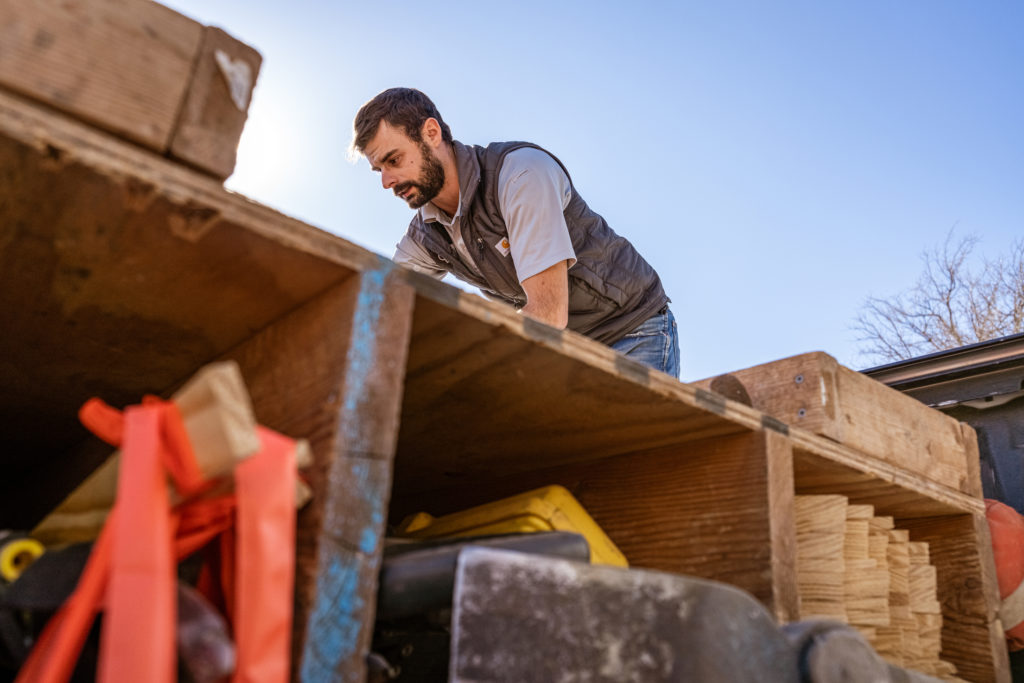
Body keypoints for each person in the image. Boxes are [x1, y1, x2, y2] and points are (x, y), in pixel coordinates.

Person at [351, 87, 680, 378]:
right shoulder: (424, 236)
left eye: (394, 160)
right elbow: (384, 305)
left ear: (432, 133)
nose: (386, 182)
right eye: (379, 169)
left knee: (628, 447)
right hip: (567, 349)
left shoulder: (521, 174)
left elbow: (547, 316)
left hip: (632, 330)